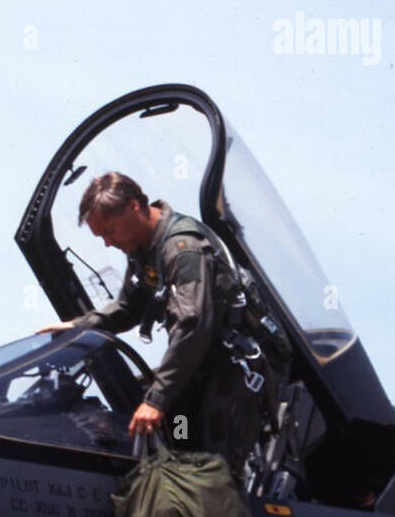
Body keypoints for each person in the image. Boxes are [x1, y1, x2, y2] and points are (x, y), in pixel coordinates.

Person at [37, 172, 243, 461]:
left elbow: (191, 327)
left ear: (133, 206)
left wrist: (156, 400)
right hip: (197, 367)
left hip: (232, 370)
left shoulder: (182, 250)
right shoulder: (145, 251)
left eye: (110, 231)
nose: (108, 243)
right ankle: (185, 464)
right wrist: (76, 327)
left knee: (214, 461)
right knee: (182, 438)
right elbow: (128, 308)